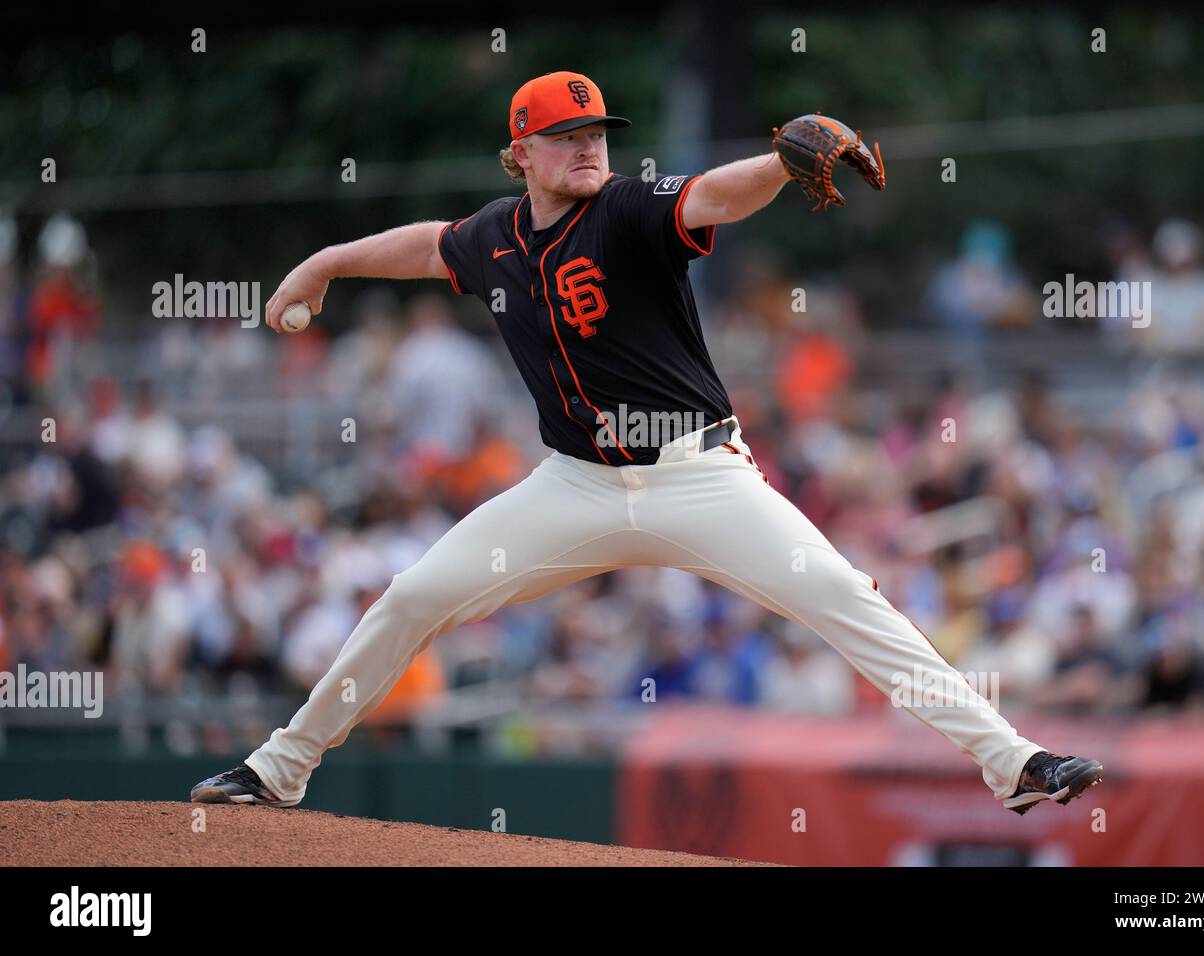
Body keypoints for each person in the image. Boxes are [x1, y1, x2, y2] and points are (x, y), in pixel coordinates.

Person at [192, 71, 1101, 816]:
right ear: (520, 154)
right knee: (412, 594)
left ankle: (1013, 762)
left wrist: (783, 164)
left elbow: (713, 193)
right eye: (565, 134)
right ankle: (279, 769)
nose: (589, 145)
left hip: (697, 475)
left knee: (840, 593)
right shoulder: (494, 239)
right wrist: (323, 264)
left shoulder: (626, 209)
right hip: (576, 487)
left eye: (597, 130)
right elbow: (424, 246)